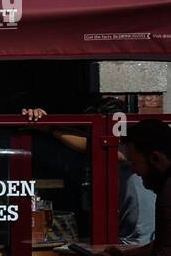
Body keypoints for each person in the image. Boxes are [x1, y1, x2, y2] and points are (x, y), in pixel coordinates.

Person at [22, 100, 157, 246]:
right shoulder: (113, 154)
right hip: (124, 240)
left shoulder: (130, 150)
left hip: (139, 244)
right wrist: (43, 121)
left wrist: (51, 128)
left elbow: (96, 144)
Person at [99, 119, 171, 256]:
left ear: (155, 158)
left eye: (135, 163)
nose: (134, 171)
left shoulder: (168, 193)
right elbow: (165, 247)